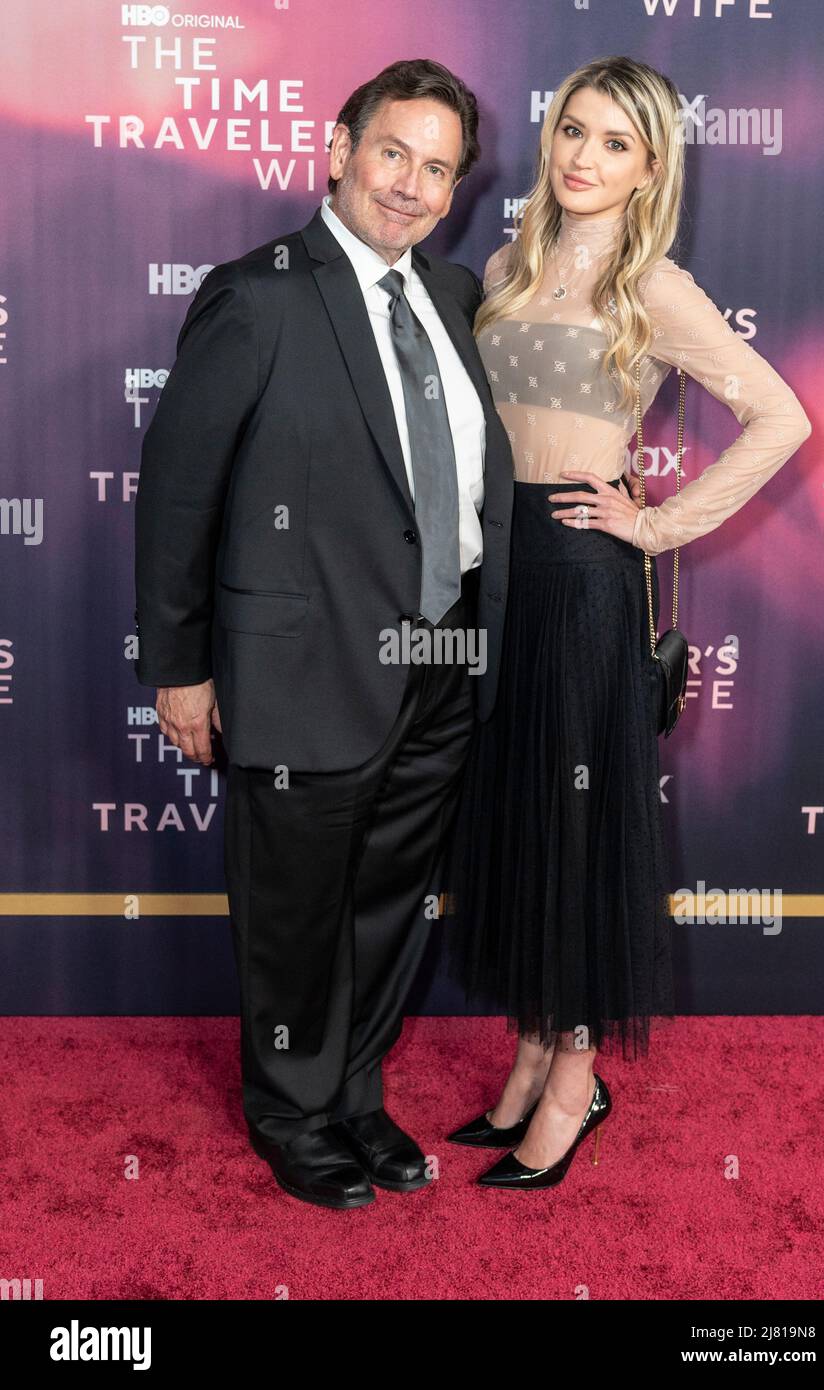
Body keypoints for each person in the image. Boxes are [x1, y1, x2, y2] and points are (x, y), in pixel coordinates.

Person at [133, 59, 518, 1209]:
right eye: (392, 153)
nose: (409, 185)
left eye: (437, 168)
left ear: (456, 188)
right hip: (302, 670)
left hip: (440, 662)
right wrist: (181, 667)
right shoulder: (257, 294)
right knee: (296, 904)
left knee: (389, 902)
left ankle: (355, 1095)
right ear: (339, 148)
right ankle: (292, 1114)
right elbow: (178, 495)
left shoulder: (451, 298)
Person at [444, 55, 812, 1191]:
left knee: (574, 827)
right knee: (513, 816)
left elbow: (779, 416)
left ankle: (573, 1074)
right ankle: (525, 1051)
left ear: (650, 164)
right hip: (496, 575)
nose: (580, 156)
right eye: (570, 131)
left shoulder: (652, 286)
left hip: (584, 578)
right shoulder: (504, 265)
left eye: (612, 141)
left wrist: (651, 528)